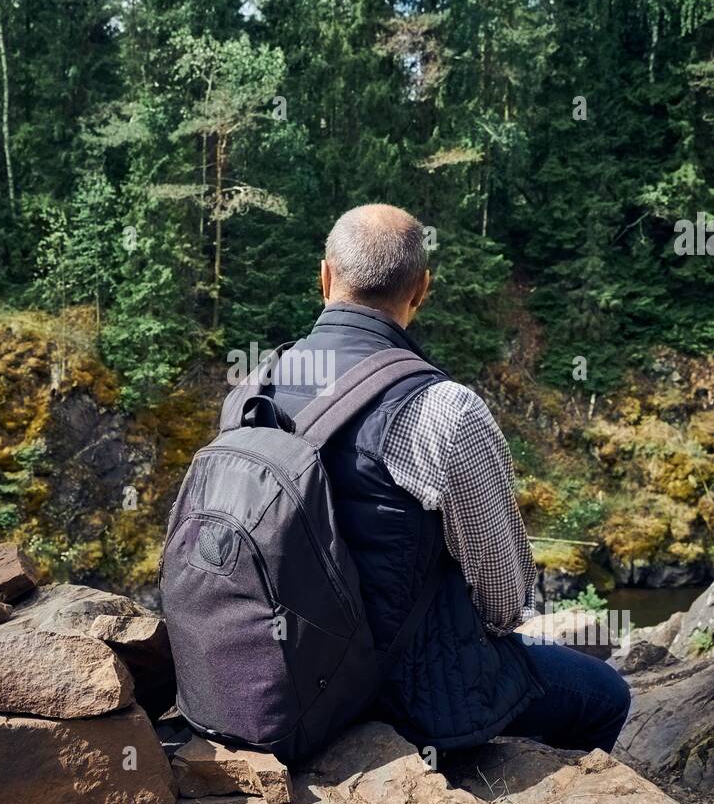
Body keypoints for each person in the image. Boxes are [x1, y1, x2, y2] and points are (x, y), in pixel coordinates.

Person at [266, 203, 631, 756]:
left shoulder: (254, 385)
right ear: (421, 290)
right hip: (397, 693)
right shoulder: (443, 408)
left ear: (324, 277)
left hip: (275, 675)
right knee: (606, 695)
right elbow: (504, 602)